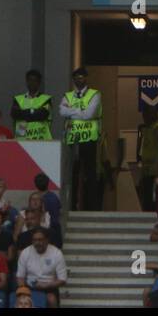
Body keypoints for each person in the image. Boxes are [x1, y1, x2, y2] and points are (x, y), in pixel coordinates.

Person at [60, 67, 103, 211]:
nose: (79, 79)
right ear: (73, 79)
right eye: (76, 77)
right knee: (72, 173)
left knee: (90, 174)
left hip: (89, 139)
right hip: (72, 140)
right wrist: (80, 112)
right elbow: (61, 111)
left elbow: (89, 114)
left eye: (82, 77)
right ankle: (71, 206)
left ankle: (92, 208)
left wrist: (71, 112)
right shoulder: (68, 96)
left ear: (86, 78)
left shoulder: (94, 94)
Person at [15, 228, 65, 307]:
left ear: (47, 240)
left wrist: (46, 285)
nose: (37, 243)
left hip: (50, 287)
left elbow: (62, 280)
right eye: (34, 240)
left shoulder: (57, 253)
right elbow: (20, 277)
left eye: (40, 239)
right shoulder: (25, 252)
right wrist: (23, 291)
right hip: (29, 287)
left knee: (51, 299)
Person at [12, 69, 53, 140]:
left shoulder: (46, 99)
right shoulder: (18, 99)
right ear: (26, 82)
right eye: (30, 80)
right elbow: (15, 114)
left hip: (40, 136)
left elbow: (43, 115)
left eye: (35, 80)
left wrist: (24, 113)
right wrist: (34, 111)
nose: (32, 83)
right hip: (22, 135)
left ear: (39, 83)